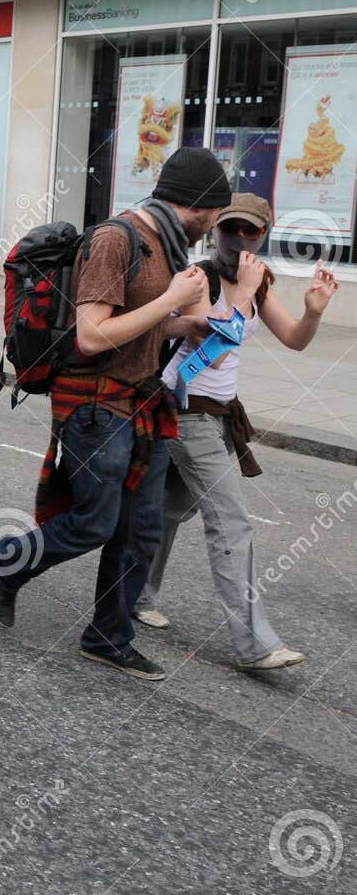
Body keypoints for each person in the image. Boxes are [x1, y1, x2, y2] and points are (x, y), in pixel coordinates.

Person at [0, 147, 228, 682]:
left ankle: (108, 637)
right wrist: (172, 303)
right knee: (96, 522)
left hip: (143, 402)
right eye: (217, 214)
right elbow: (92, 335)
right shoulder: (117, 239)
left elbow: (132, 323)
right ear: (200, 205)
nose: (217, 226)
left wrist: (182, 327)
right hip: (95, 405)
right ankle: (9, 560)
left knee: (141, 533)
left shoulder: (168, 245)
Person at [134, 193, 340, 670]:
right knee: (231, 522)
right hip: (186, 411)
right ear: (216, 231)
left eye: (251, 231)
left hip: (220, 413)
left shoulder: (258, 281)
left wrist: (313, 311)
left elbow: (294, 339)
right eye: (231, 229)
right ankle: (254, 644)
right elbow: (215, 351)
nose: (240, 239)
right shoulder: (199, 278)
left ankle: (136, 594)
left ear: (264, 234)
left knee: (167, 509)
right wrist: (243, 293)